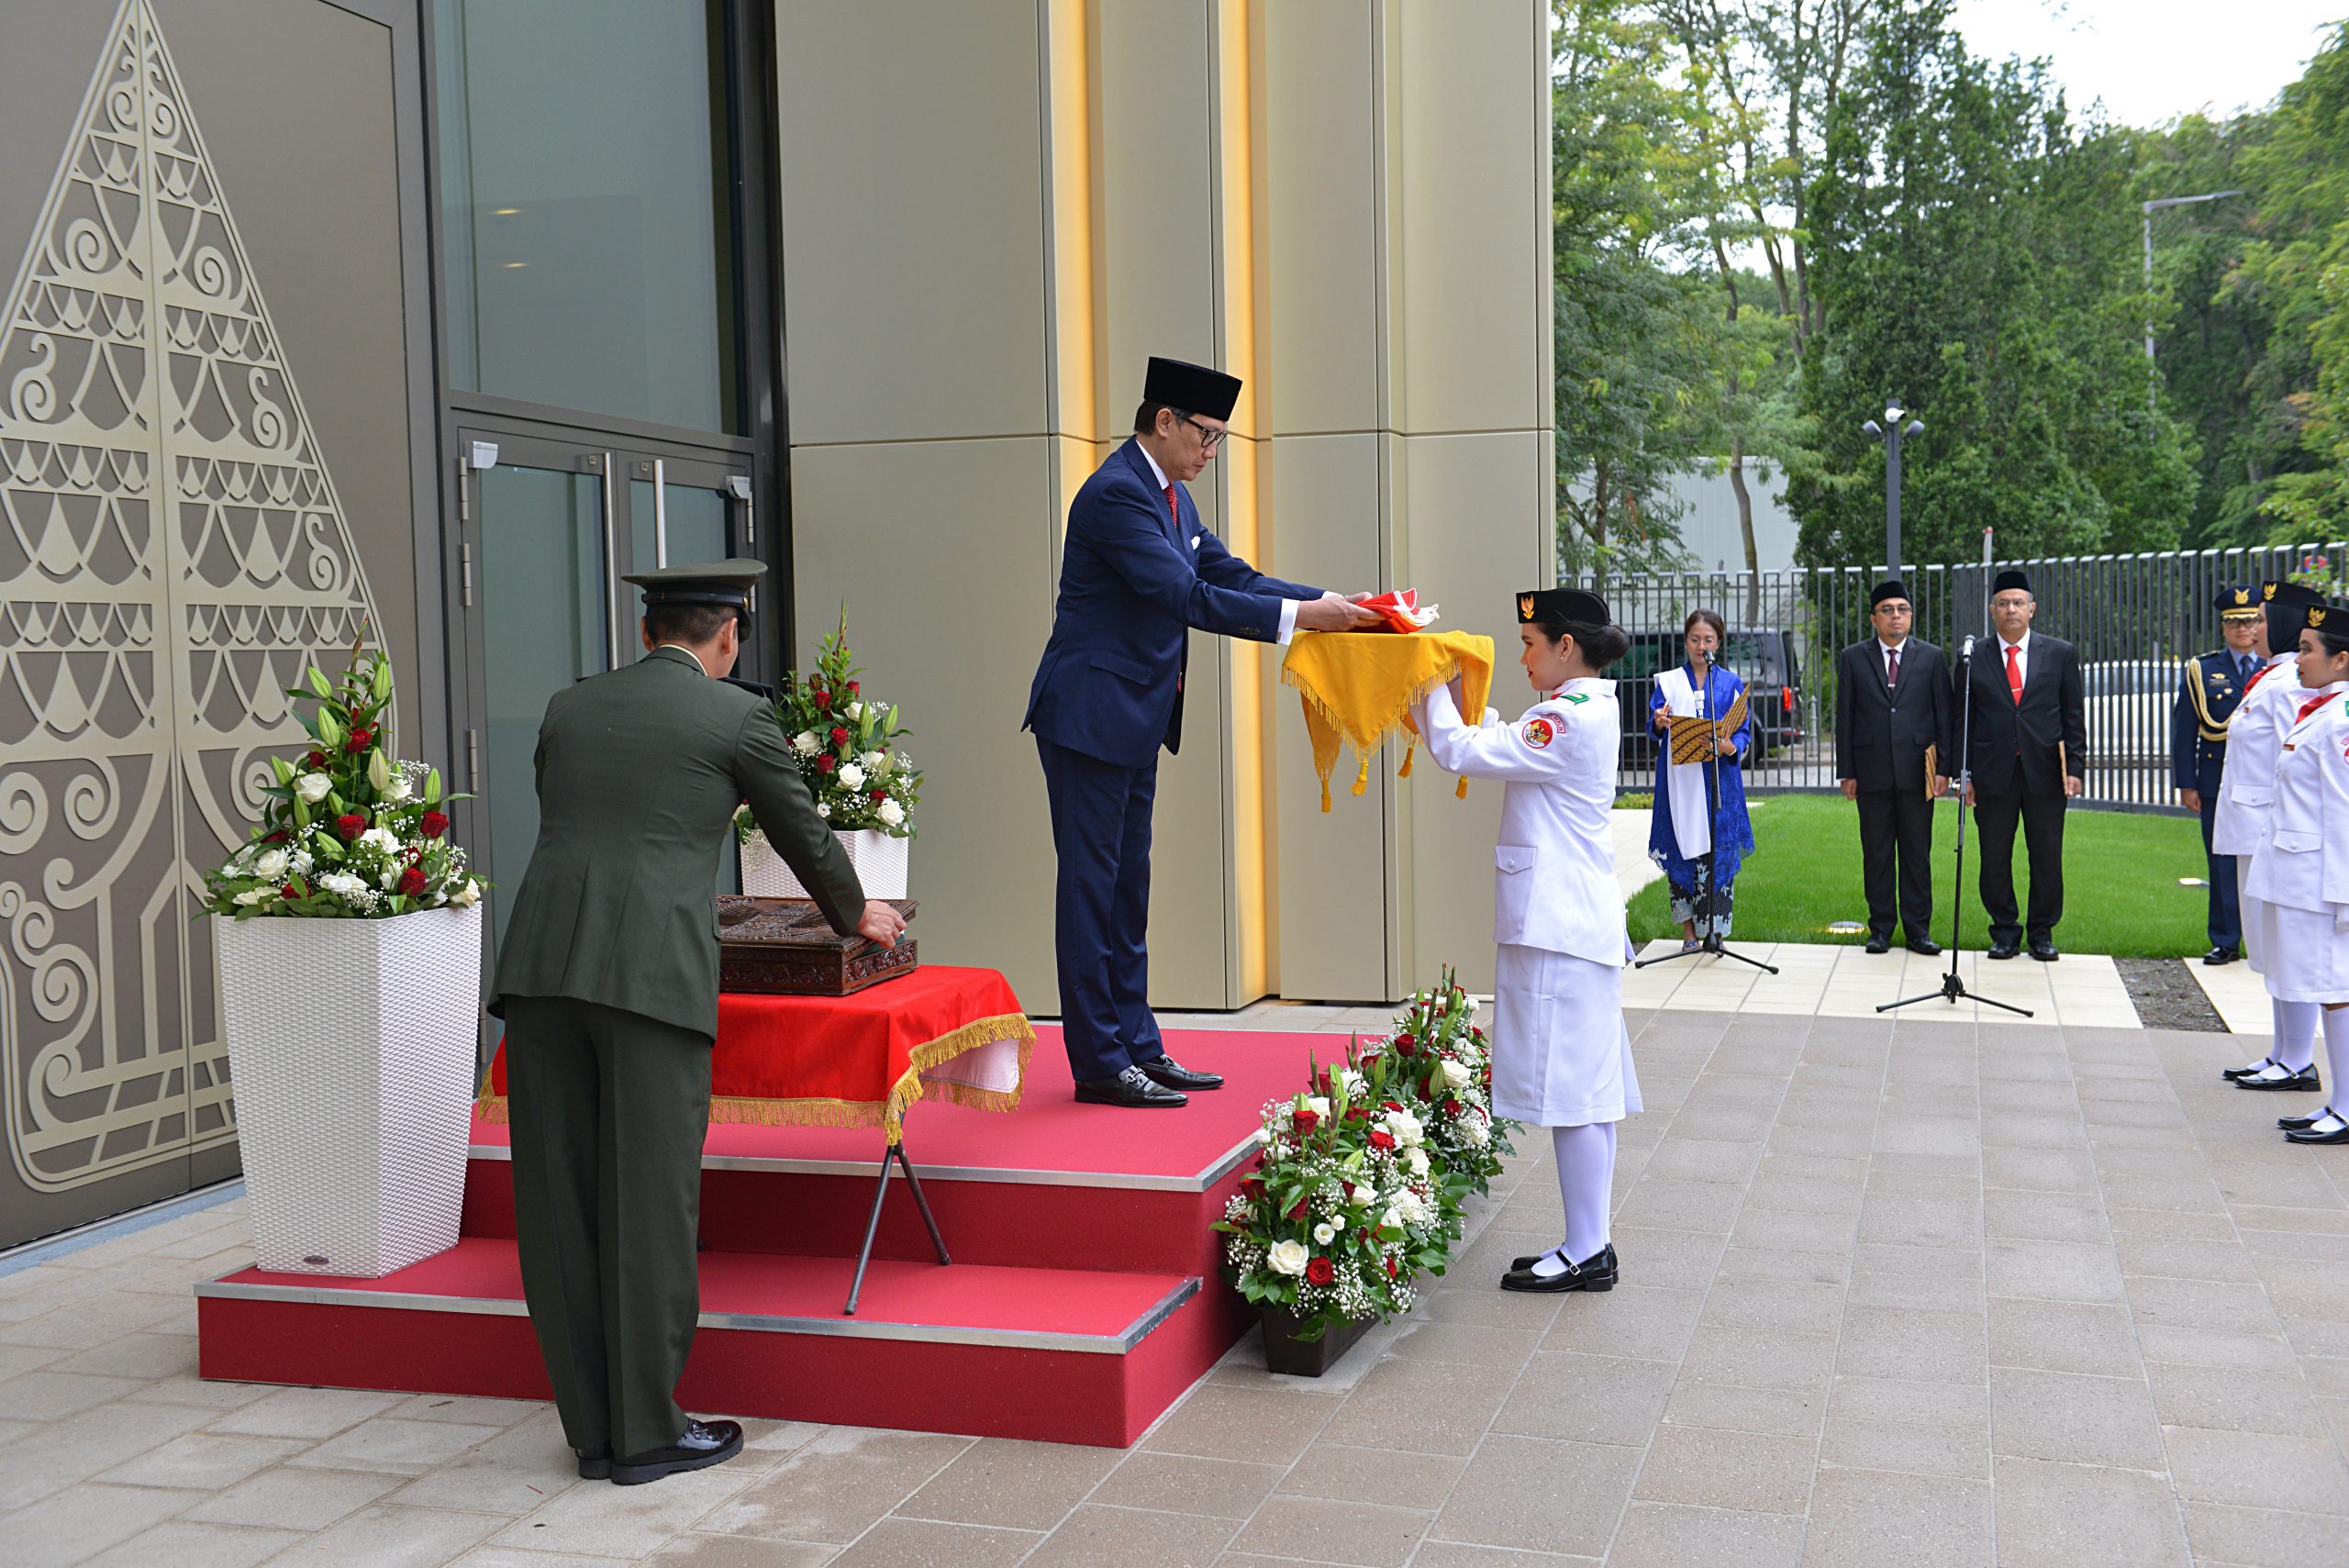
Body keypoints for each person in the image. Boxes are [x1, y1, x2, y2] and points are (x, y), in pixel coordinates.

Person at [488, 562, 907, 1485]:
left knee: (558, 1206)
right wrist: (856, 911)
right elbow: (798, 828)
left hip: (539, 968)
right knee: (645, 1202)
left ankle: (592, 1427)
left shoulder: (568, 705)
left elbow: (574, 815)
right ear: (729, 636)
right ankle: (646, 1431)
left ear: (646, 632)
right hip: (648, 975)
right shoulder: (735, 715)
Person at [1023, 356, 1380, 1107]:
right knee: (1092, 893)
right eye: (1207, 436)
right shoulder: (1116, 495)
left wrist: (1329, 601)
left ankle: (1138, 1046)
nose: (1211, 452)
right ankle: (1098, 1061)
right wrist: (1302, 621)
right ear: (1164, 422)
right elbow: (1185, 594)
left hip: (1134, 721)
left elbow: (1235, 575)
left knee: (1129, 891)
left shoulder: (1173, 500)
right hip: (1088, 719)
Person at [1410, 586, 1641, 1292]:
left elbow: (1459, 748)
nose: (1521, 656)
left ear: (1566, 646)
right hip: (1573, 924)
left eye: (1530, 644)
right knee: (1590, 1089)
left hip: (1558, 928)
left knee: (1573, 1091)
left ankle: (1584, 1249)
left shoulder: (1567, 720)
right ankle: (1589, 1241)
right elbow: (1499, 739)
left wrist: (1424, 682)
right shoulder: (1578, 710)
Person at [2238, 595, 2349, 1144]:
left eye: (2307, 650)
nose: (2297, 658)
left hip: (2324, 882)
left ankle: (2348, 1108)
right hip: (2303, 875)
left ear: (2342, 659)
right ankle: (2340, 1103)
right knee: (2324, 987)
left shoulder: (2342, 720)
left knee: (2337, 989)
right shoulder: (2324, 711)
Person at [2215, 579, 2328, 1091]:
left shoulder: (2290, 685)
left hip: (2268, 832)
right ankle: (2283, 1051)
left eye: (2262, 618)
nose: (2254, 627)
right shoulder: (2276, 676)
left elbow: (2292, 763)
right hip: (2251, 827)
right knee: (2271, 950)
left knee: (2285, 950)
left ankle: (2297, 1058)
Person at [1961, 569, 2086, 961]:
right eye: (2003, 603)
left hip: (2045, 773)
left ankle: (2042, 932)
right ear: (1992, 610)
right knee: (1994, 857)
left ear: (2031, 609)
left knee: (2046, 855)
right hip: (1992, 774)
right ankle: (2004, 931)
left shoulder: (2060, 653)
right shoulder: (1973, 657)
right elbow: (1961, 721)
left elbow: (2073, 716)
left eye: (2018, 603)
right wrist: (1964, 775)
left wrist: (2075, 768)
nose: (2011, 610)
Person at [1833, 580, 1954, 955]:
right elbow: (1846, 717)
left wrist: (1944, 768)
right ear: (1874, 618)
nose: (1895, 616)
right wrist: (1847, 771)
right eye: (1887, 610)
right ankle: (1881, 928)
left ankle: (1918, 930)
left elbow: (1944, 715)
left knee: (1917, 853)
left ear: (1911, 616)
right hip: (1871, 772)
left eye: (1902, 609)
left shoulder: (1932, 657)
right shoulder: (1853, 658)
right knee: (1878, 852)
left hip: (1918, 772)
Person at [1647, 609, 1755, 950]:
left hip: (1718, 782)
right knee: (1684, 852)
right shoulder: (1668, 682)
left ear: (1718, 643)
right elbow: (1654, 724)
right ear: (1685, 641)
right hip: (1680, 780)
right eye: (1695, 638)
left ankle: (1716, 932)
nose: (1701, 645)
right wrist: (1659, 723)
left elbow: (1744, 732)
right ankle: (1689, 934)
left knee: (1717, 853)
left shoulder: (1730, 683)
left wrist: (1730, 746)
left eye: (1708, 639)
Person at [2173, 584, 2266, 964]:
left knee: (2264, 859)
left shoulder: (2278, 669)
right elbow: (2184, 731)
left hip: (2263, 780)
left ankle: (2264, 939)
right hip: (2216, 780)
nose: (2243, 629)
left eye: (2249, 621)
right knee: (2221, 860)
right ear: (2224, 627)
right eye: (2234, 623)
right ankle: (2226, 939)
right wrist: (2188, 783)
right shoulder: (2204, 669)